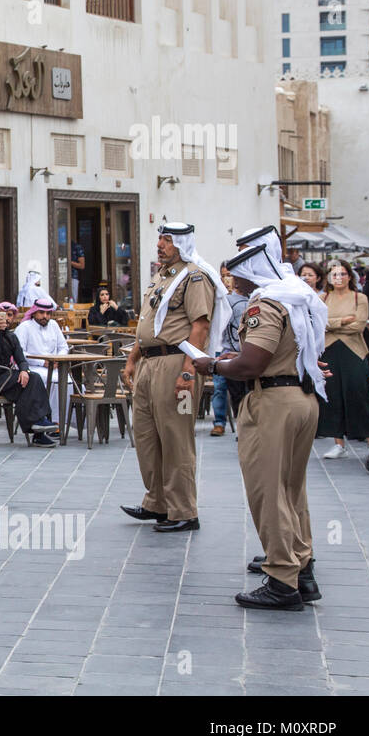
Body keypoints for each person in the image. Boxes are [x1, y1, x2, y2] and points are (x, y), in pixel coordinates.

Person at [192, 245, 327, 610]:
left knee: (268, 491)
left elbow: (252, 364)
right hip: (302, 397)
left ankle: (282, 578)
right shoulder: (296, 297)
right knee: (292, 490)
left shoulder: (264, 304)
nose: (232, 279)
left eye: (236, 272)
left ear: (250, 271)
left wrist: (213, 366)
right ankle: (302, 569)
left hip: (274, 402)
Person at [119, 222, 227, 533]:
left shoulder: (194, 276)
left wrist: (189, 371)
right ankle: (157, 502)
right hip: (149, 363)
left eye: (167, 240)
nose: (160, 245)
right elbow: (149, 323)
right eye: (160, 239)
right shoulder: (161, 277)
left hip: (176, 364)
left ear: (182, 243)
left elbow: (200, 327)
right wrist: (132, 359)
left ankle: (184, 510)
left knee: (176, 438)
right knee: (146, 436)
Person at [0, 302, 61, 447]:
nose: (7, 318)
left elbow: (21, 359)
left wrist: (24, 370)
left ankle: (39, 429)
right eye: (3, 315)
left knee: (31, 380)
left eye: (10, 315)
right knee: (32, 381)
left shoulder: (11, 337)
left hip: (7, 378)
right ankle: (39, 427)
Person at [318, 261, 369, 459]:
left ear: (350, 276)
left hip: (354, 350)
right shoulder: (323, 298)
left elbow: (358, 325)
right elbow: (320, 323)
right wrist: (342, 321)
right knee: (332, 395)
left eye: (342, 274)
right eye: (334, 274)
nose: (339, 278)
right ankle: (338, 444)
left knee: (358, 393)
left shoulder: (360, 298)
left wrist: (332, 325)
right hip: (329, 350)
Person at [13, 297, 69, 424]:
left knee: (70, 382)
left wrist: (58, 359)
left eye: (48, 313)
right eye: (42, 312)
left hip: (54, 368)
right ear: (34, 312)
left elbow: (63, 347)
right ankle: (50, 421)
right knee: (54, 381)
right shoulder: (24, 327)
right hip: (32, 368)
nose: (45, 316)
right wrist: (42, 362)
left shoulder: (53, 325)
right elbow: (19, 353)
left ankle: (63, 421)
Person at [209, 268, 248, 437]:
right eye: (225, 276)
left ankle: (244, 425)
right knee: (220, 388)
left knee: (243, 391)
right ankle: (219, 422)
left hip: (245, 353)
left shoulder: (254, 299)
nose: (228, 279)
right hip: (223, 351)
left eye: (230, 275)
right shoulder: (223, 299)